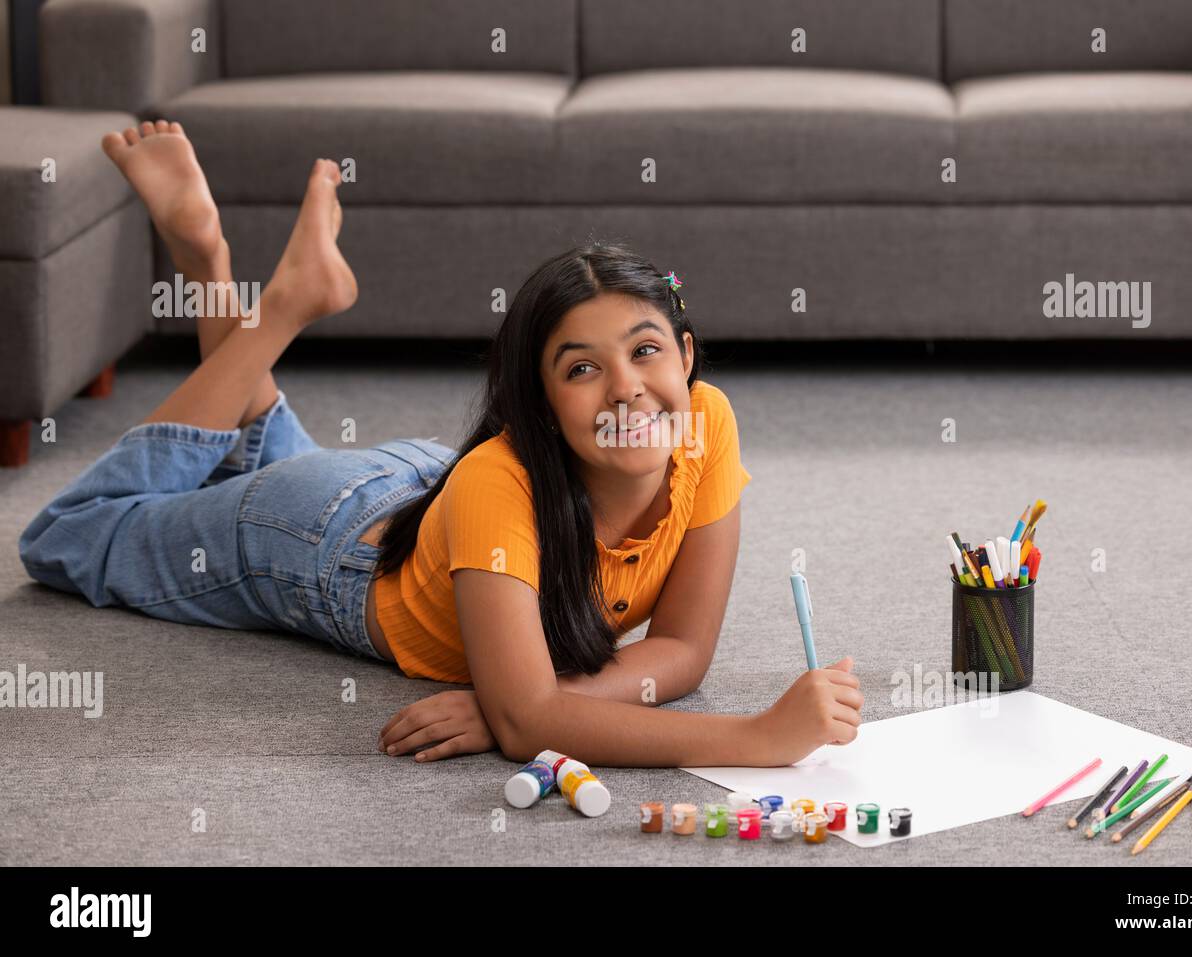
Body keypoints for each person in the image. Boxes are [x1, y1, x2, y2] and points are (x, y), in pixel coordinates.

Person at [19, 123, 862, 769]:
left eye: (645, 350)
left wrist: (525, 700)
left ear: (684, 355)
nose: (627, 388)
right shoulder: (502, 480)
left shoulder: (706, 421)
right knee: (72, 534)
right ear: (537, 398)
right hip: (325, 546)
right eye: (581, 368)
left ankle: (205, 254)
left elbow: (680, 650)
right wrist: (754, 736)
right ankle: (279, 310)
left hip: (419, 496)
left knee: (253, 447)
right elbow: (535, 723)